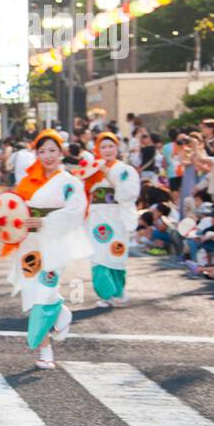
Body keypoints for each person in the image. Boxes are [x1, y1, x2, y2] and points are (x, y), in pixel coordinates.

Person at [3, 130, 90, 370]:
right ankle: (58, 321)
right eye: (42, 151)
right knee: (32, 295)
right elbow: (16, 208)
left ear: (61, 152)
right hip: (30, 246)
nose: (48, 156)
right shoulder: (27, 181)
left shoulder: (70, 182)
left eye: (52, 150)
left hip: (54, 244)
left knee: (44, 294)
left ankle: (47, 348)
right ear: (36, 154)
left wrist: (45, 222)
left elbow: (75, 212)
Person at [85, 131, 140, 307]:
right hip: (97, 217)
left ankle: (119, 292)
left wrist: (109, 175)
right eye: (103, 147)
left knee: (116, 254)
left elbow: (130, 193)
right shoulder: (91, 170)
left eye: (111, 146)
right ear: (97, 150)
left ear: (117, 148)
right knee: (98, 254)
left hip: (117, 215)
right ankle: (106, 294)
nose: (107, 150)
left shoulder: (126, 170)